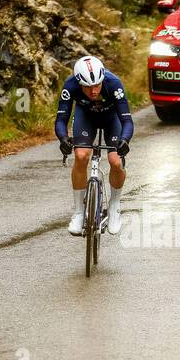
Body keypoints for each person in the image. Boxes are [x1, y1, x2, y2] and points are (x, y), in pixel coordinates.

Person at [55, 55, 132, 236]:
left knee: (115, 162)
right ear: (78, 82)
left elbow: (127, 120)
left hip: (111, 119)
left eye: (97, 85)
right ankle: (79, 213)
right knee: (81, 156)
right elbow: (61, 119)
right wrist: (63, 138)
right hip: (85, 117)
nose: (93, 91)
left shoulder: (114, 84)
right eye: (88, 87)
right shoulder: (70, 85)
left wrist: (125, 140)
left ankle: (114, 206)